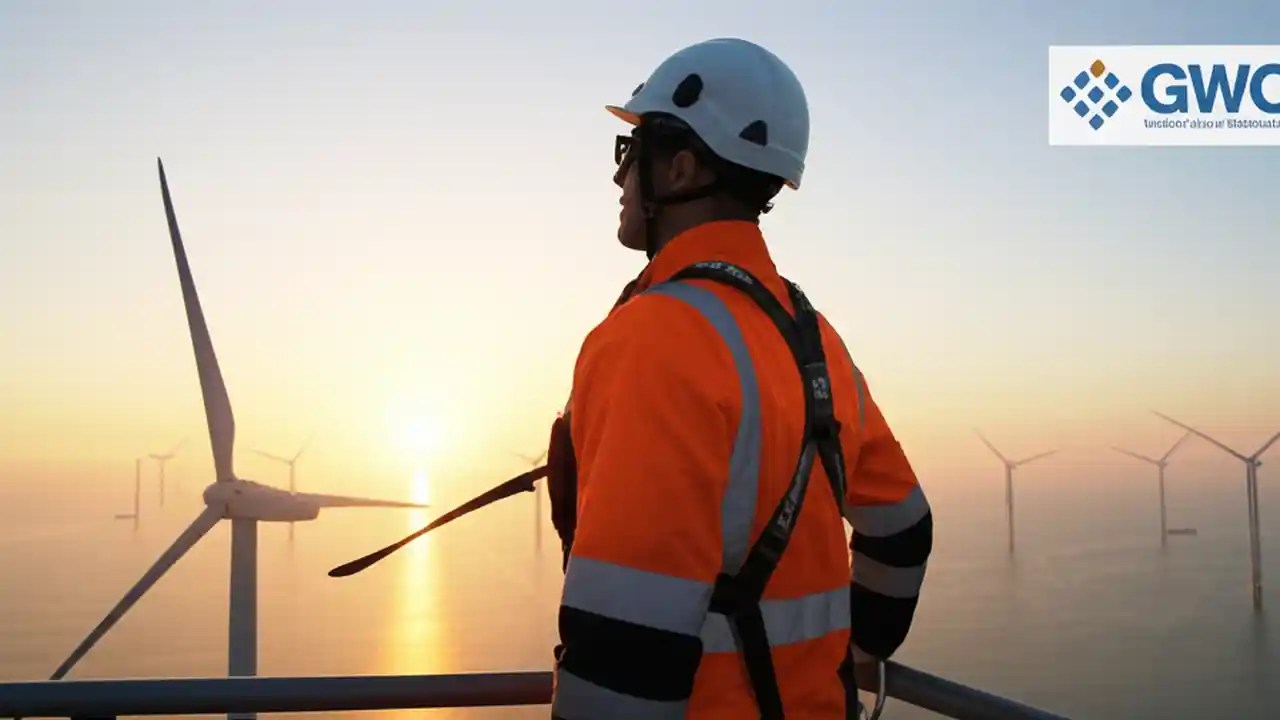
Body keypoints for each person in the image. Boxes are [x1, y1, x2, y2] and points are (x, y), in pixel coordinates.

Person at [546, 37, 932, 719]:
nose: (618, 179)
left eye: (629, 154)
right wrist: (855, 652)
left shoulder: (651, 338)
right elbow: (902, 530)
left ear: (681, 168)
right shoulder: (817, 339)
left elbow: (623, 650)